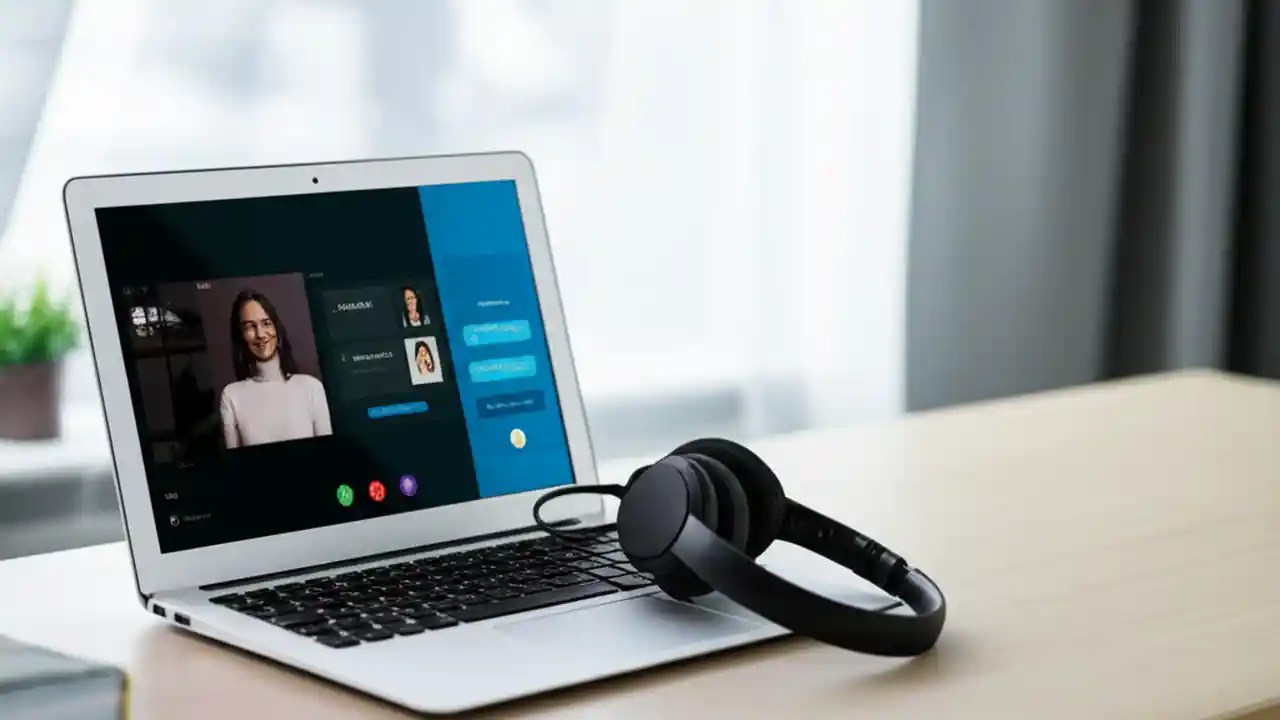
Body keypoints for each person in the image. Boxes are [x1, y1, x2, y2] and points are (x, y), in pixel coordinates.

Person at [219, 289, 332, 449]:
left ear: (276, 329)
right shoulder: (231, 395)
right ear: (240, 335)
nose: (260, 334)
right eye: (250, 326)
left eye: (266, 323)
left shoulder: (311, 387)